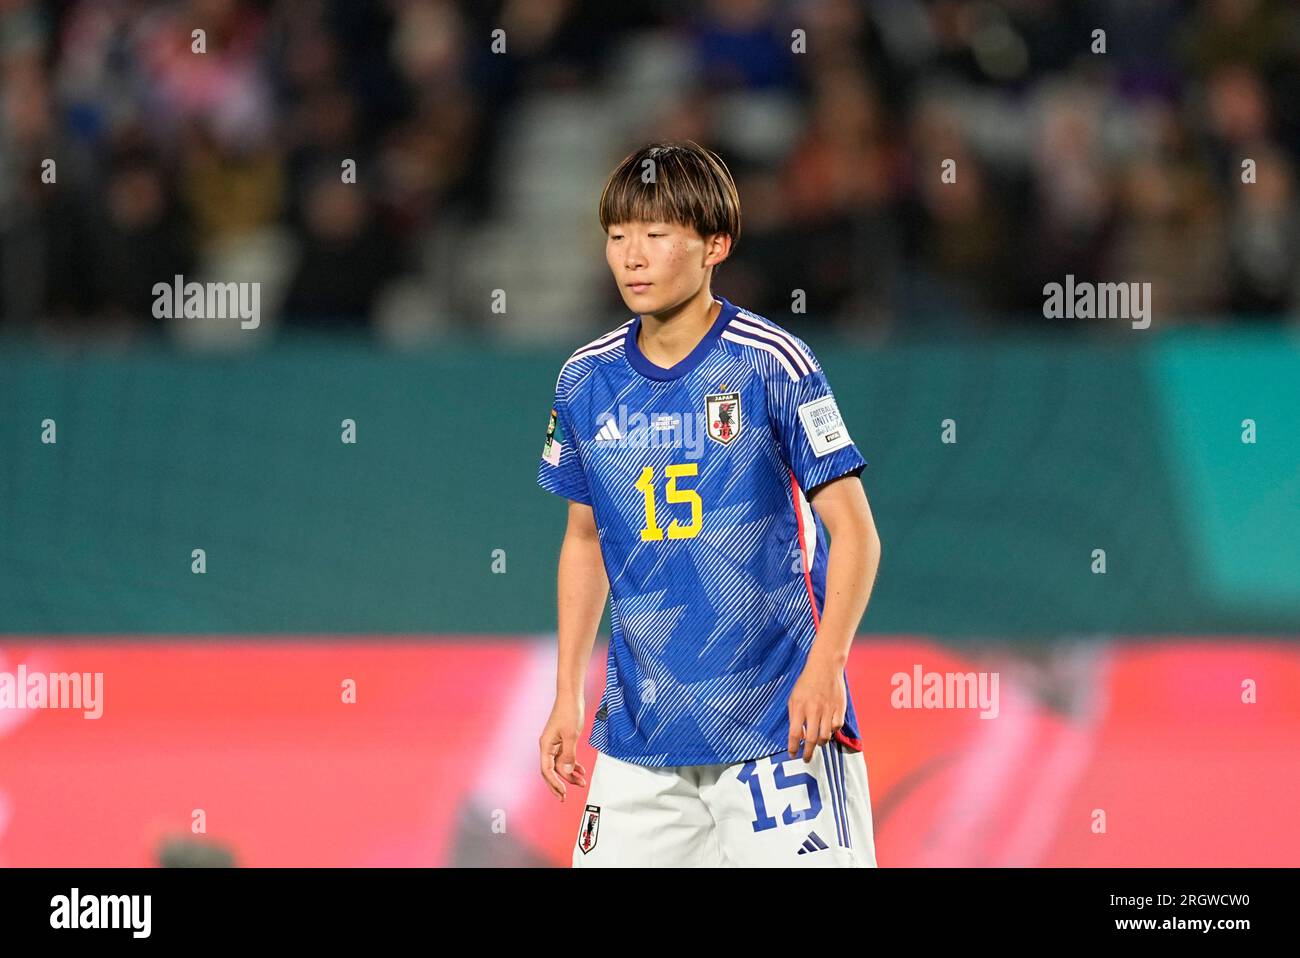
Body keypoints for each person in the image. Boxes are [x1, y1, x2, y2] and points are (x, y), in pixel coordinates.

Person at [536, 141, 882, 866]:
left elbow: (854, 532)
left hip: (775, 726)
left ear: (714, 244)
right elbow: (582, 538)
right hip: (641, 735)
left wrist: (827, 669)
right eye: (618, 236)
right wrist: (567, 693)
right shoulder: (583, 381)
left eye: (656, 236)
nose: (632, 256)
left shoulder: (771, 362)